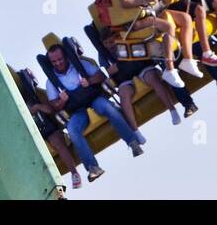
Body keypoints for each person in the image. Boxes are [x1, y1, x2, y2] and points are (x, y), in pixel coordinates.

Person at [43, 45, 142, 182]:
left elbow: (101, 75)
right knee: (72, 129)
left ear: (65, 56)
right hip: (77, 110)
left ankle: (133, 143)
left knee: (108, 108)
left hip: (94, 98)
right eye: (54, 62)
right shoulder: (51, 81)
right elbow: (55, 107)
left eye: (60, 59)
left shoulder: (80, 64)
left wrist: (89, 81)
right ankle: (93, 168)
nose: (58, 63)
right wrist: (62, 101)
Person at [18, 68, 83, 190]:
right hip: (28, 130)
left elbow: (50, 110)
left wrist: (37, 107)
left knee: (57, 142)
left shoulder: (39, 94)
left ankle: (74, 173)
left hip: (48, 128)